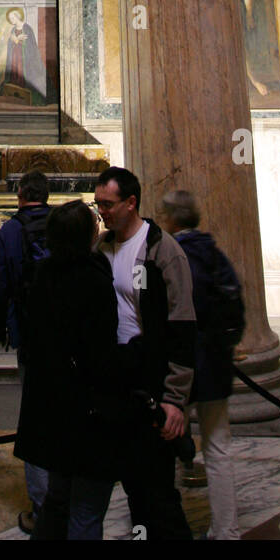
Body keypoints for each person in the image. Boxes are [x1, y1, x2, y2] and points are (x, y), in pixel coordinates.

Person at [94, 166, 196, 540]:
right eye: (98, 204)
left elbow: (183, 326)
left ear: (131, 203)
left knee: (158, 494)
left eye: (107, 204)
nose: (101, 211)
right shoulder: (101, 247)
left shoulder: (163, 250)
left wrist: (175, 398)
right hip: (115, 380)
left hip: (150, 380)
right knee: (134, 490)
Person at [14, 200, 122, 540]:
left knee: (58, 497)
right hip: (88, 411)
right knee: (87, 509)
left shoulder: (42, 274)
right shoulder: (95, 279)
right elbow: (102, 348)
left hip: (52, 408)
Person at [158, 189, 245, 541]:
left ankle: (167, 526)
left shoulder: (172, 256)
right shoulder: (215, 254)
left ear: (171, 219)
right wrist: (226, 345)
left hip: (180, 369)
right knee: (219, 450)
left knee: (166, 446)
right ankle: (226, 531)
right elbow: (235, 306)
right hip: (214, 366)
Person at [0, 168, 51, 533]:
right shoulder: (66, 223)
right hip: (67, 333)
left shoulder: (10, 230)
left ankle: (42, 506)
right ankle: (67, 495)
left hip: (28, 332)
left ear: (19, 195)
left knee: (34, 413)